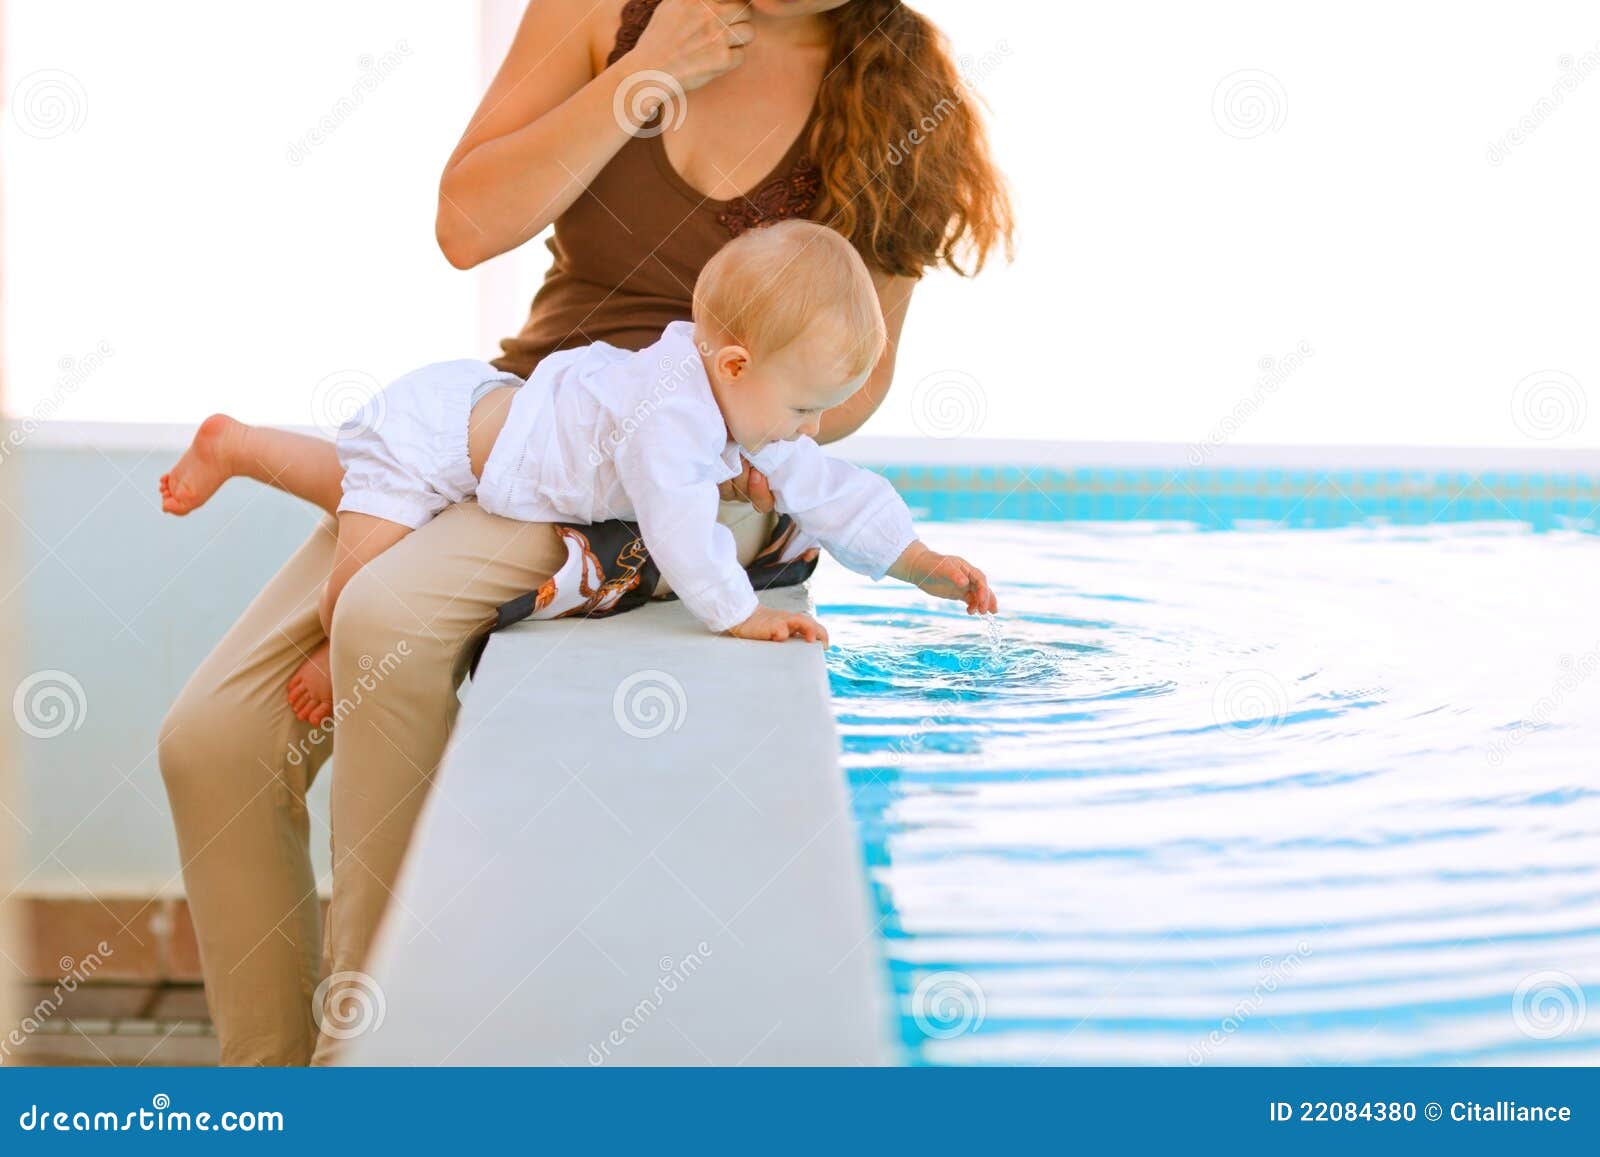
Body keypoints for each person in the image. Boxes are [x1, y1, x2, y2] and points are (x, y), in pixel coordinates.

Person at [158, 0, 1013, 1065]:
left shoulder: (896, 88)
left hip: (696, 471)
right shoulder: (602, 14)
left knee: (382, 614)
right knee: (213, 741)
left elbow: (853, 379)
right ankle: (266, 1091)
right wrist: (640, 78)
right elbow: (466, 225)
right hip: (526, 420)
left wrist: (692, 419)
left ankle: (371, 1069)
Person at [159, 222, 998, 702]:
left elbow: (828, 489)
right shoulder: (671, 413)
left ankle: (234, 443)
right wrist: (737, 613)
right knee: (358, 579)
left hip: (474, 441)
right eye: (806, 406)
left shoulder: (731, 393)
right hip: (438, 432)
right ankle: (325, 653)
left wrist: (919, 562)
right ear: (737, 366)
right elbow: (677, 523)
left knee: (353, 489)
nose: (810, 429)